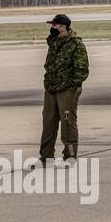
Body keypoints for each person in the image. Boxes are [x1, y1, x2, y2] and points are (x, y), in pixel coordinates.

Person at [40, 13, 89, 163]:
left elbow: (82, 69)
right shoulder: (54, 43)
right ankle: (46, 156)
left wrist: (72, 86)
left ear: (63, 27)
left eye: (55, 25)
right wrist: (48, 82)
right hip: (51, 88)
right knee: (48, 122)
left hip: (67, 90)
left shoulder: (76, 44)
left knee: (68, 123)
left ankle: (70, 156)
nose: (52, 28)